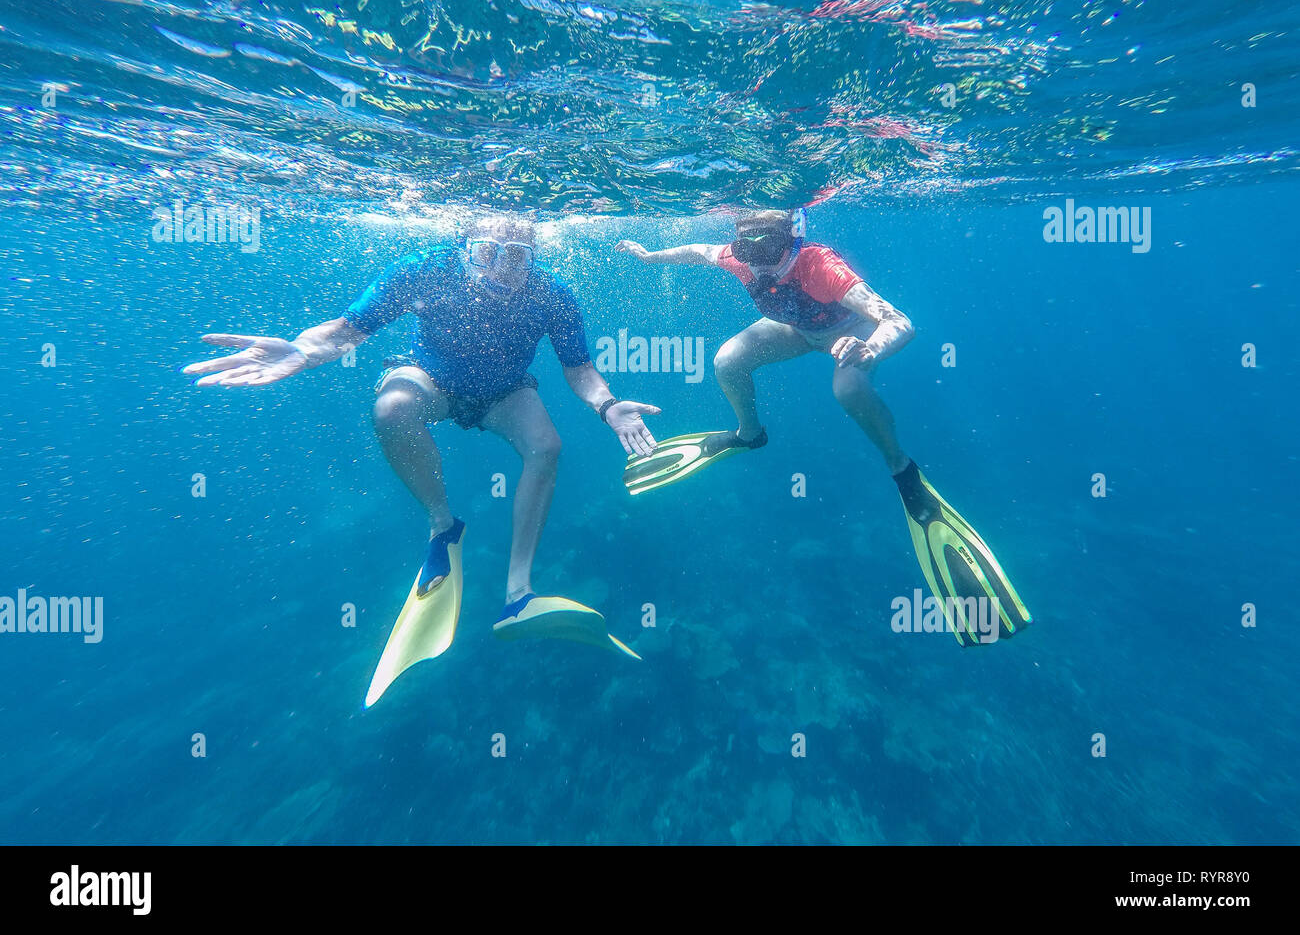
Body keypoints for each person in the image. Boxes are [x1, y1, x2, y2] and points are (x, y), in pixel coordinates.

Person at [184, 216, 659, 695]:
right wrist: (303, 351)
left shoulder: (551, 294)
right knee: (392, 410)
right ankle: (442, 527)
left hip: (506, 391)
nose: (500, 268)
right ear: (461, 246)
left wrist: (608, 405)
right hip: (430, 378)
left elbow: (579, 369)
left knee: (547, 447)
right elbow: (349, 330)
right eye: (486, 251)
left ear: (534, 256)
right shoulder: (423, 271)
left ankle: (519, 593)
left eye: (517, 256)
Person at [615, 209, 1032, 646]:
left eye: (767, 248)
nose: (756, 260)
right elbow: (697, 252)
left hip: (847, 335)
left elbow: (900, 321)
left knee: (848, 391)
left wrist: (869, 350)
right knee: (727, 361)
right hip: (794, 330)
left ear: (790, 238)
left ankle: (901, 469)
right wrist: (648, 257)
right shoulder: (738, 258)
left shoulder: (817, 264)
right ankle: (749, 434)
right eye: (746, 248)